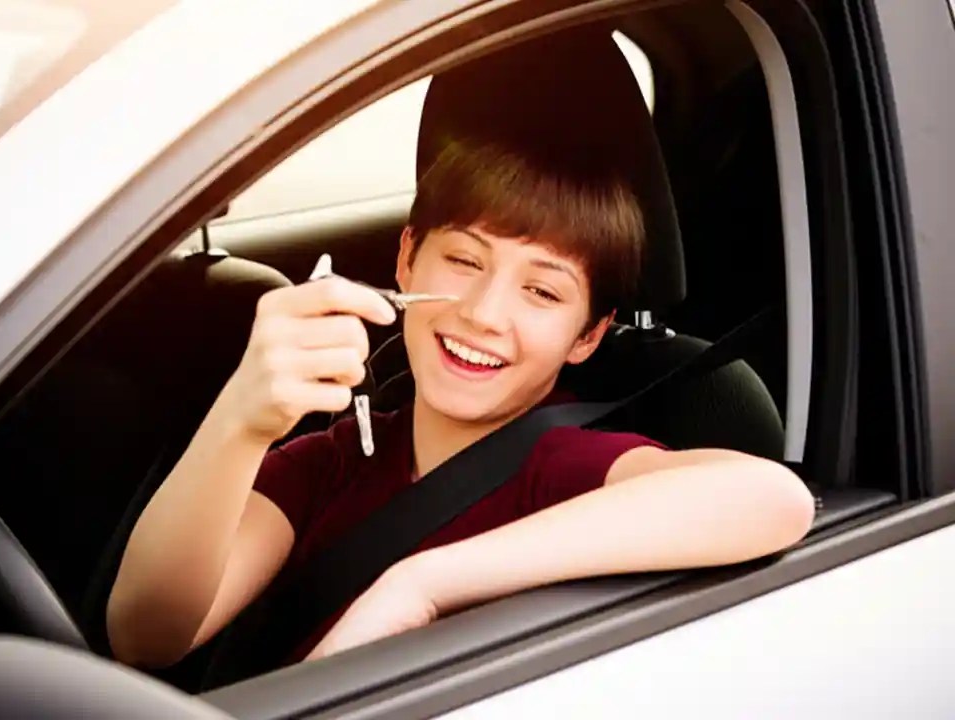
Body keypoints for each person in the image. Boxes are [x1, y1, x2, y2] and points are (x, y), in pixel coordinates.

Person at [105, 132, 815, 672]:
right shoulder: (331, 461)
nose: (483, 313)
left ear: (588, 335)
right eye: (465, 261)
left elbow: (772, 498)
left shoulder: (564, 467)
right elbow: (149, 635)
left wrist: (422, 584)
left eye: (541, 292)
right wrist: (240, 422)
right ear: (407, 258)